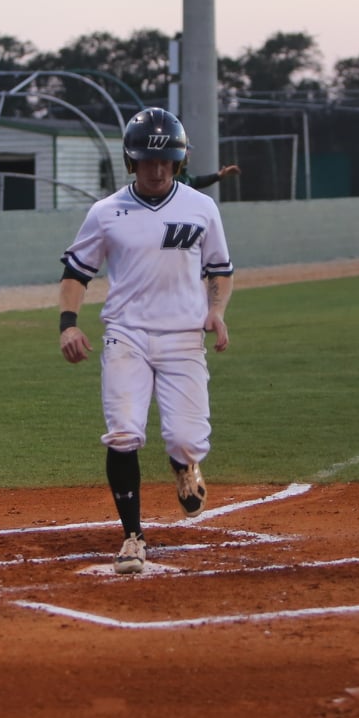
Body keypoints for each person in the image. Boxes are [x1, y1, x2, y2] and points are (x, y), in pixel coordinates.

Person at [58, 107, 235, 574]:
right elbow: (77, 270)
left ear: (178, 162)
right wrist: (68, 324)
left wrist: (215, 311)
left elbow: (219, 268)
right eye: (146, 161)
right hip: (126, 335)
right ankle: (132, 536)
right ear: (131, 161)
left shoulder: (201, 207)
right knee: (123, 434)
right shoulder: (106, 212)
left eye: (166, 161)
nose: (156, 170)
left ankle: (184, 464)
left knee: (185, 438)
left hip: (182, 336)